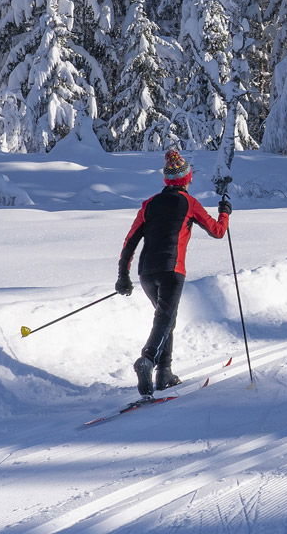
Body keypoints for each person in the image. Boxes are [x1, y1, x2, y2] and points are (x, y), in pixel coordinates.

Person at [117, 149, 231, 399]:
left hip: (146, 273)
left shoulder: (149, 204)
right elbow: (218, 231)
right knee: (165, 318)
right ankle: (147, 360)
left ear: (168, 180)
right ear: (186, 179)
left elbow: (130, 241)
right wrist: (225, 212)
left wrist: (123, 275)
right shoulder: (188, 203)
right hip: (172, 269)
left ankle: (164, 373)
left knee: (166, 318)